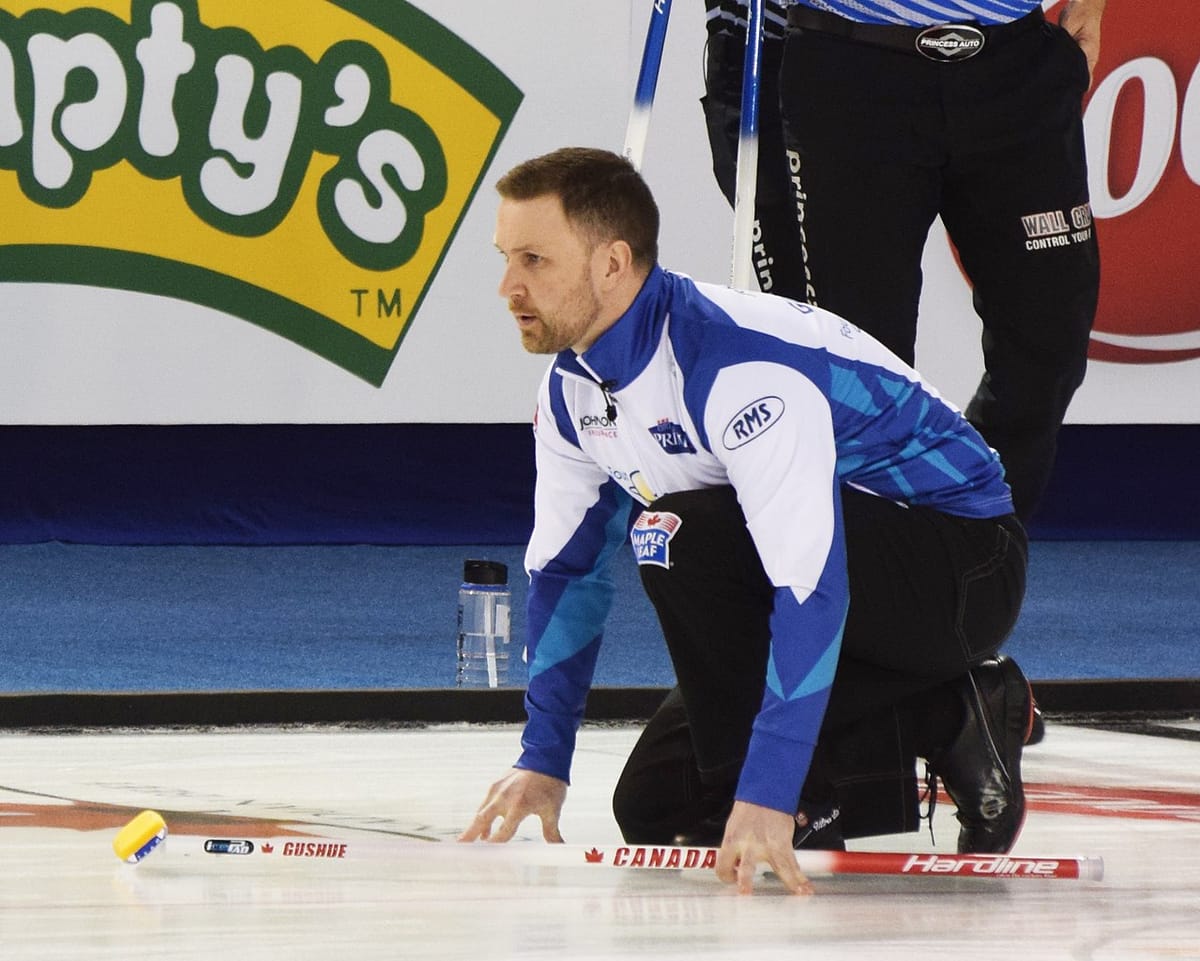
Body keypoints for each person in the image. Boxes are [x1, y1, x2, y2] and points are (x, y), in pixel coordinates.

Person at [459, 147, 1032, 896]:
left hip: (962, 564)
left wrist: (770, 794)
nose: (508, 286)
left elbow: (808, 584)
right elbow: (567, 575)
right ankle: (954, 710)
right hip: (840, 574)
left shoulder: (735, 367)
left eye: (533, 259)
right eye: (505, 257)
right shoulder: (572, 392)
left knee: (675, 534)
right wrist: (543, 756)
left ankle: (807, 801)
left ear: (612, 263)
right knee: (655, 805)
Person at [699, 0, 1104, 525]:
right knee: (858, 368)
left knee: (1050, 340)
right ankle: (877, 573)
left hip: (1014, 53)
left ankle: (970, 544)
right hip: (851, 60)